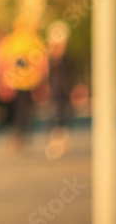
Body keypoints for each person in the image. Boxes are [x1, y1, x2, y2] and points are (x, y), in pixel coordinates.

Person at [0, 16, 48, 153]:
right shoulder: (34, 40)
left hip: (14, 81)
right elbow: (42, 62)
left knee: (15, 109)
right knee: (24, 110)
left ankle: (17, 134)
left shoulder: (11, 41)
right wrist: (43, 80)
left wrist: (1, 80)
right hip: (29, 81)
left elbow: (2, 62)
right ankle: (20, 134)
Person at [43, 20, 74, 159]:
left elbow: (71, 77)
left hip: (63, 94)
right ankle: (58, 139)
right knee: (53, 116)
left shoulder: (66, 60)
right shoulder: (48, 60)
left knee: (61, 116)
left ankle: (58, 141)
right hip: (53, 94)